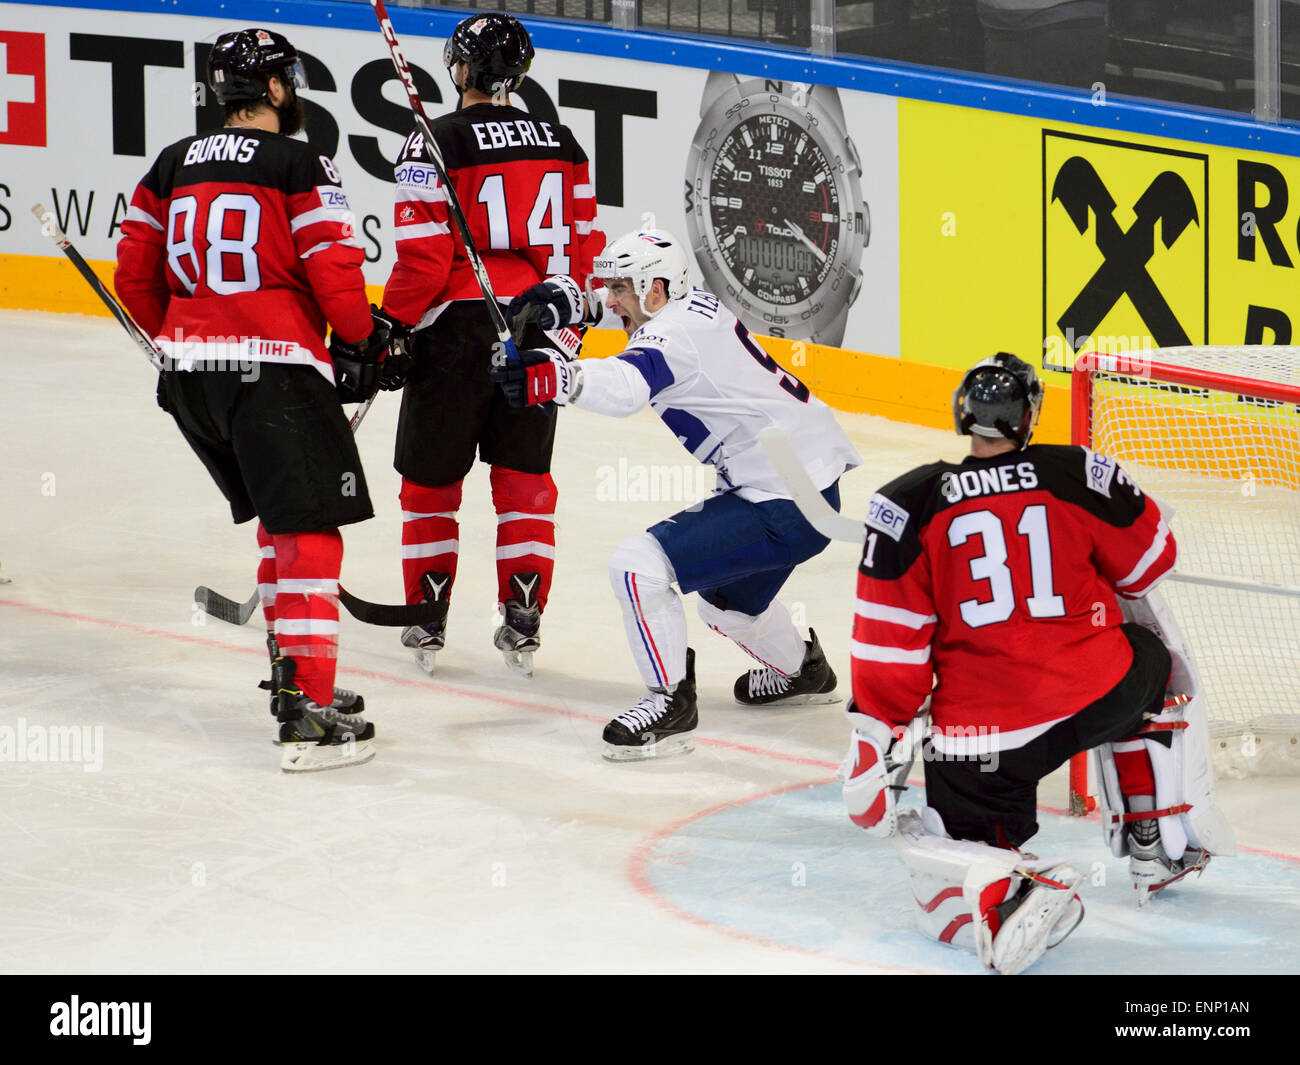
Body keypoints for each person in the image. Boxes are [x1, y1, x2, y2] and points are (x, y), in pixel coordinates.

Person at [839, 352, 1234, 974]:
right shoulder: (1074, 471)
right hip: (1103, 691)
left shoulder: (906, 504)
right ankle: (1152, 838)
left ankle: (1011, 886)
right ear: (1030, 418)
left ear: (962, 415)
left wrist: (879, 731)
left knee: (950, 860)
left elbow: (891, 648)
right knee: (1152, 660)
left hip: (987, 740)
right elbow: (1152, 562)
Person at [115, 28, 390, 772]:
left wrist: (187, 335)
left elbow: (133, 279)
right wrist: (364, 339)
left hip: (192, 380)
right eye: (287, 82)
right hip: (272, 371)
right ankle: (307, 713)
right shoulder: (301, 162)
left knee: (279, 514)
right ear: (272, 89)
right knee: (310, 530)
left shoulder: (171, 163)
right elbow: (335, 273)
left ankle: (290, 673)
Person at [492, 228, 862, 759]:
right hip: (809, 490)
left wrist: (555, 378)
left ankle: (670, 702)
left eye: (621, 288)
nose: (612, 298)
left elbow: (627, 385)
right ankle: (805, 670)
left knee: (637, 565)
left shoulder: (671, 339)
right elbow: (641, 317)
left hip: (781, 499)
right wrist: (572, 302)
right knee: (727, 609)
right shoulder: (693, 306)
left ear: (655, 289)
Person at [376, 12, 604, 678]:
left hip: (454, 329)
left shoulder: (433, 141)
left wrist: (390, 325)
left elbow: (422, 261)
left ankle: (427, 618)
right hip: (536, 327)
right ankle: (524, 617)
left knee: (430, 483)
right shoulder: (562, 141)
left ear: (464, 70)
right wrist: (571, 325)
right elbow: (584, 248)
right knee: (525, 481)